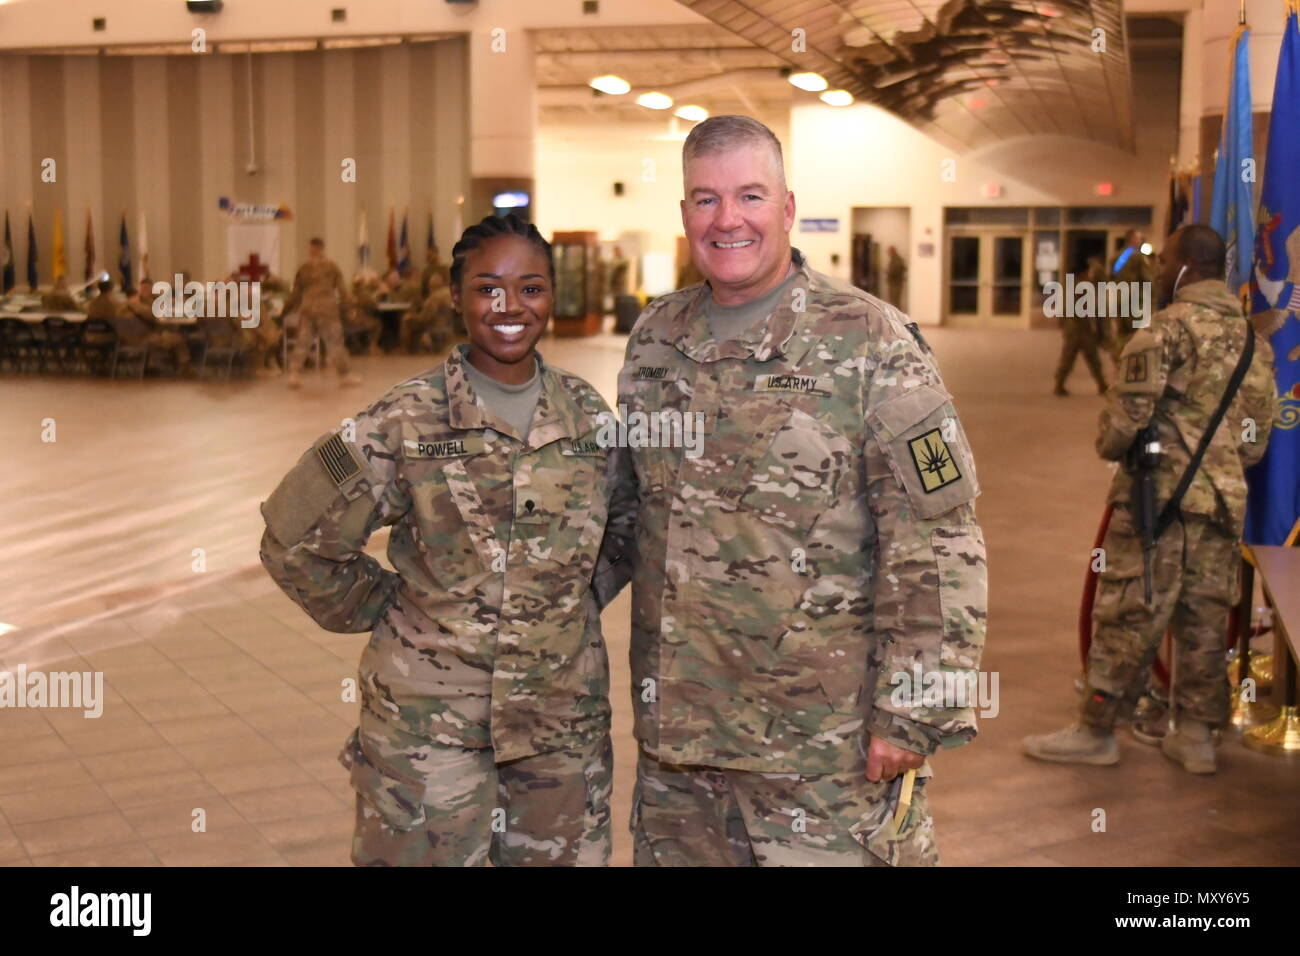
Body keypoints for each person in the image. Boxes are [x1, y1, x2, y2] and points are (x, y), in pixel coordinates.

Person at [613, 115, 987, 866]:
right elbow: (624, 516)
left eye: (750, 195)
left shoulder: (872, 342)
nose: (728, 220)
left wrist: (912, 714)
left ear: (787, 207)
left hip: (822, 757)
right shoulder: (656, 340)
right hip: (681, 757)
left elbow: (940, 542)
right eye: (705, 199)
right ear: (684, 214)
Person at [259, 213, 632, 866]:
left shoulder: (588, 414)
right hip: (428, 732)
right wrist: (389, 610)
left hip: (560, 731)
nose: (510, 306)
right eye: (488, 287)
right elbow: (292, 541)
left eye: (532, 288)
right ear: (456, 298)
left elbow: (623, 528)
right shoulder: (401, 420)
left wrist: (562, 605)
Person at [1023, 224, 1277, 775]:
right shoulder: (1256, 343)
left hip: (1157, 499)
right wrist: (1223, 462)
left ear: (1184, 266)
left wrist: (1120, 439)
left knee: (1128, 610)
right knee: (1206, 617)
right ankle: (1195, 736)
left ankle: (1097, 729)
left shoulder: (1162, 333)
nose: (1159, 270)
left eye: (1165, 262)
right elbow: (1258, 437)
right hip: (1222, 504)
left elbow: (1120, 430)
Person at [281, 237, 361, 388]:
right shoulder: (331, 266)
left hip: (308, 308)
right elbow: (342, 289)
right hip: (327, 309)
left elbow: (296, 293)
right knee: (335, 342)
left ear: (311, 248)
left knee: (303, 341)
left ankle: (294, 374)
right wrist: (350, 307)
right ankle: (344, 375)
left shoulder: (303, 267)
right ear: (322, 248)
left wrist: (286, 310)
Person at [1053, 255, 1109, 396]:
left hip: (1073, 326)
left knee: (1069, 357)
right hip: (1079, 327)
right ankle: (1101, 384)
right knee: (1090, 358)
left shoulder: (1071, 283)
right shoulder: (1081, 286)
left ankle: (1060, 383)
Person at [1109, 229, 1157, 359]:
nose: (1142, 241)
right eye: (1140, 238)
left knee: (1122, 333)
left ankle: (1118, 357)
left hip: (1120, 300)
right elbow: (1148, 280)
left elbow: (1111, 278)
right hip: (1136, 302)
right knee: (1136, 335)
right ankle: (1129, 361)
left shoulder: (1117, 257)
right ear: (1132, 240)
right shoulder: (1137, 256)